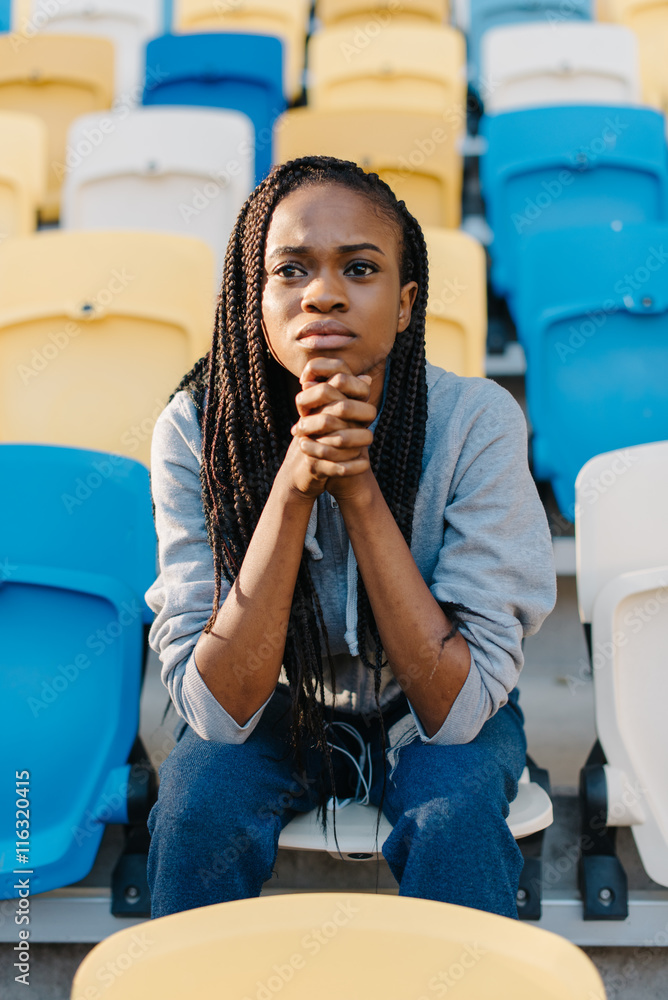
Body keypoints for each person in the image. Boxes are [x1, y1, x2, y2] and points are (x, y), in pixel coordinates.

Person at [145, 155, 556, 921]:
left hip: (427, 706)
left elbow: (459, 710)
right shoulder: (196, 432)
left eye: (358, 269)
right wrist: (296, 483)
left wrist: (359, 488)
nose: (324, 294)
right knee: (195, 812)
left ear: (405, 305)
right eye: (291, 270)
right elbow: (214, 710)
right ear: (252, 301)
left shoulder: (479, 422)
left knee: (455, 818)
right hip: (274, 707)